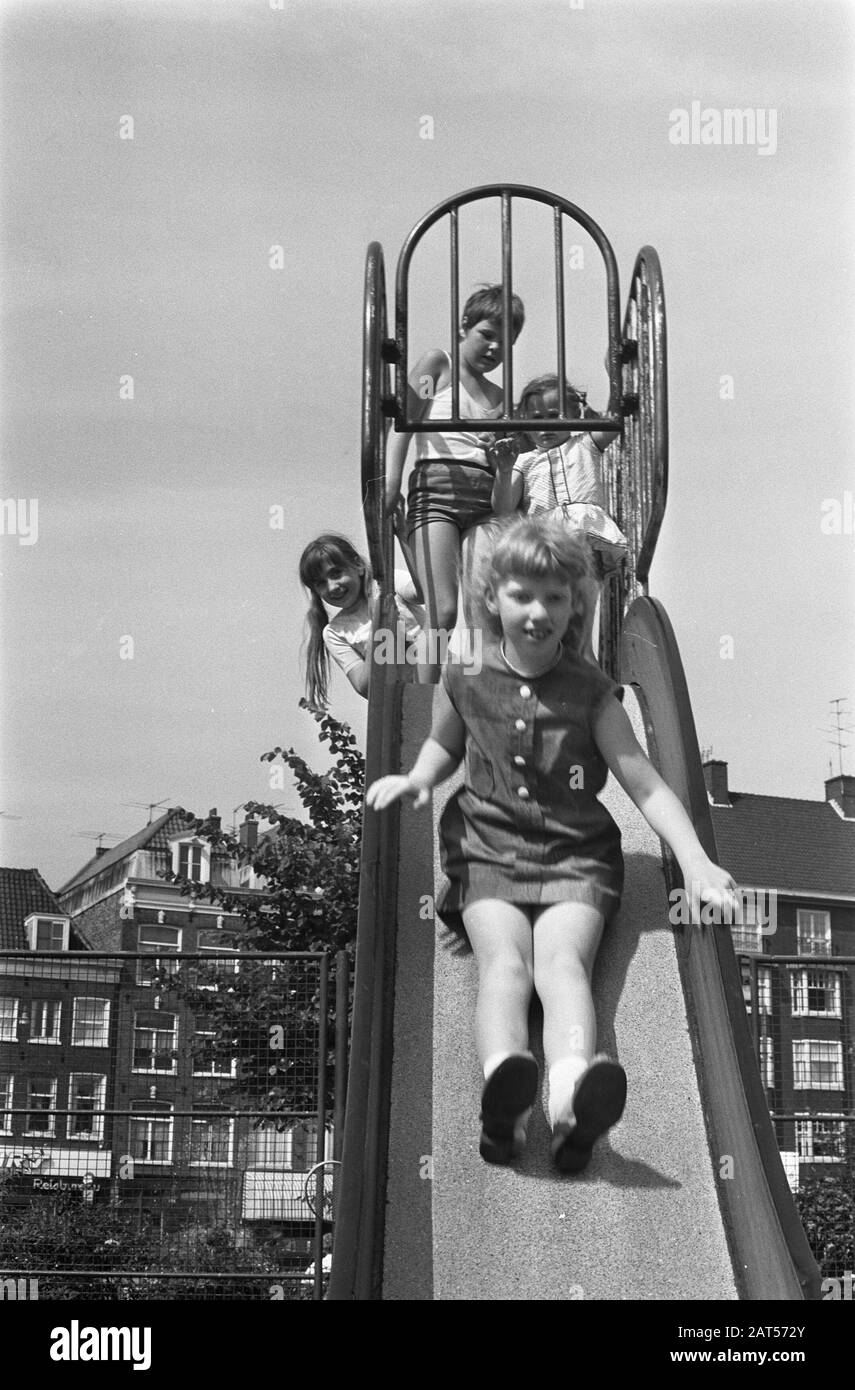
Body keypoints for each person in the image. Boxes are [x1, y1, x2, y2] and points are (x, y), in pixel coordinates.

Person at [366, 515, 736, 1171]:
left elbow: (645, 785)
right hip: (486, 853)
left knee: (563, 967)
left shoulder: (592, 694)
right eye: (521, 595)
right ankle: (504, 1089)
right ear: (491, 598)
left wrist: (697, 861)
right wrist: (416, 778)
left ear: (574, 605)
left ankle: (568, 1099)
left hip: (575, 860)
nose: (537, 612)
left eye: (554, 598)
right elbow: (442, 746)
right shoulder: (466, 675)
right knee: (504, 967)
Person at [384, 284, 525, 679]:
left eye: (506, 341)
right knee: (442, 609)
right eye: (487, 334)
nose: (495, 348)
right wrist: (392, 481)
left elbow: (504, 464)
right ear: (465, 325)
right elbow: (404, 422)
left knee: (484, 608)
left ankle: (482, 691)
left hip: (482, 501)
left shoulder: (501, 397)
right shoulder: (438, 367)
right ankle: (422, 701)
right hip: (437, 495)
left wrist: (502, 458)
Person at [491, 374, 628, 663]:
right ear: (524, 425)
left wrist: (612, 369)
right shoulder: (523, 462)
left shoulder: (585, 443)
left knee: (582, 618)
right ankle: (559, 668)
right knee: (556, 619)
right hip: (548, 546)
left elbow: (615, 419)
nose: (546, 425)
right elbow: (503, 508)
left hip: (583, 539)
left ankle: (587, 671)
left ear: (574, 415)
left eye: (554, 415)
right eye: (535, 418)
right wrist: (503, 472)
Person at [299, 533, 424, 707]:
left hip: (441, 673)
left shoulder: (388, 582)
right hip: (407, 701)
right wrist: (380, 624)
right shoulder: (334, 631)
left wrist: (404, 536)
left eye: (336, 573)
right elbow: (364, 687)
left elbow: (422, 592)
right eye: (320, 583)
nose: (332, 587)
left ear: (357, 565)